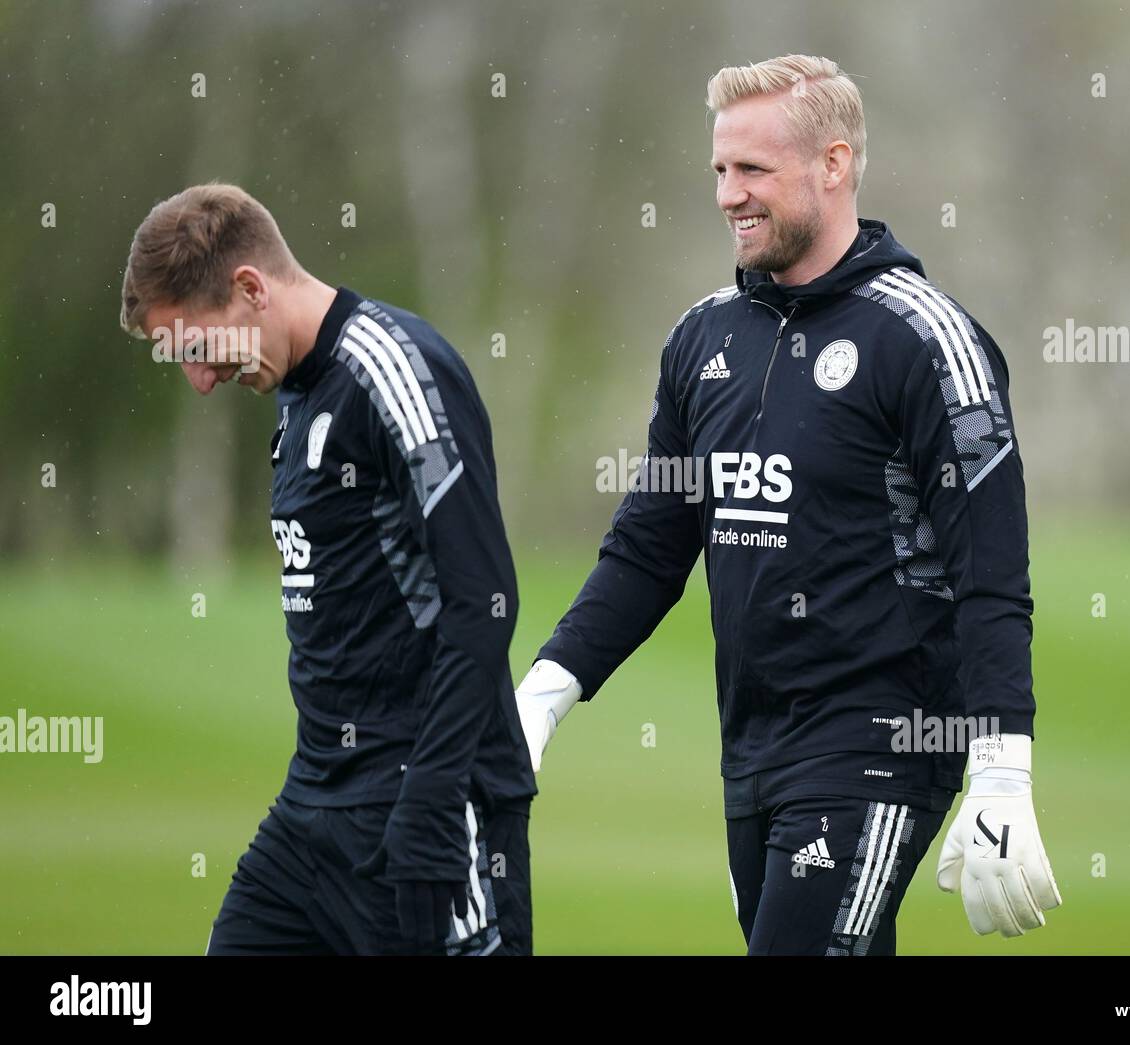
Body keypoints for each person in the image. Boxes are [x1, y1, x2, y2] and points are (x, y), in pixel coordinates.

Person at [514, 55, 1060, 954]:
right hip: (752, 753)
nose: (730, 194)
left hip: (880, 746)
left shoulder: (924, 338)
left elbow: (991, 574)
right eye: (720, 171)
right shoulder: (701, 338)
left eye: (753, 170)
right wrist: (541, 693)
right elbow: (649, 549)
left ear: (833, 165)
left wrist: (1003, 770)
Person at [120, 183, 535, 955]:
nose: (200, 381)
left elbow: (485, 600)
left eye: (198, 349)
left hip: (427, 807)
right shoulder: (295, 388)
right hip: (314, 807)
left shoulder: (395, 369)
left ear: (250, 288)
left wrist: (435, 798)